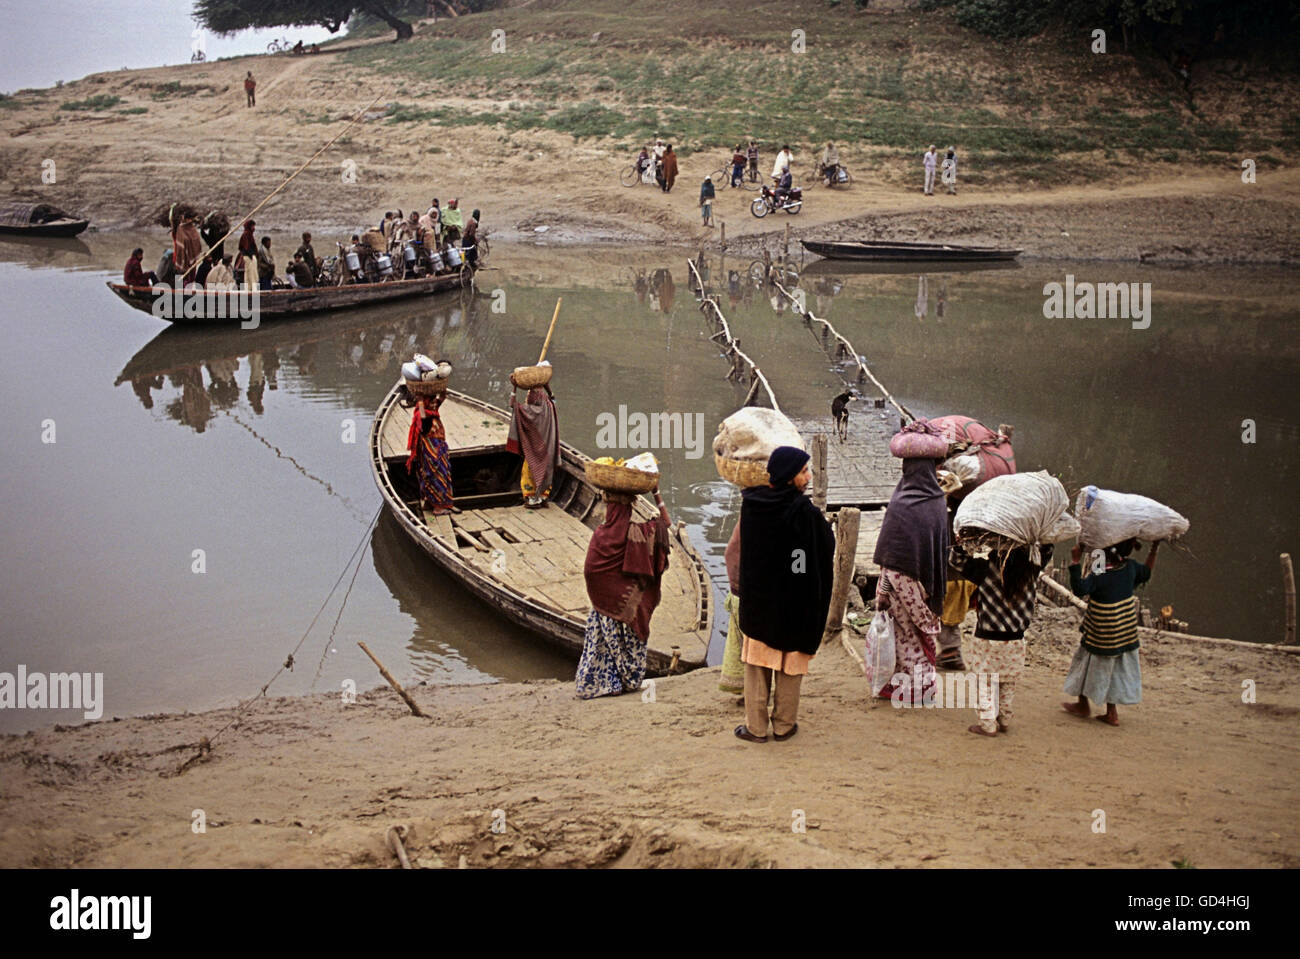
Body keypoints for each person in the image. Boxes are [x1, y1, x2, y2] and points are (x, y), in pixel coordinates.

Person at [733, 446, 835, 743]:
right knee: (790, 665)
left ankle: (755, 728)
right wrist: (799, 569)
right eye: (804, 471)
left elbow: (752, 553)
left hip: (760, 601)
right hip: (792, 603)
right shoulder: (803, 514)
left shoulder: (752, 505)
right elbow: (805, 556)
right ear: (790, 475)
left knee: (757, 664)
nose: (809, 476)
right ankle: (784, 725)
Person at [870, 421, 950, 706]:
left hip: (901, 584)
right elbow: (939, 548)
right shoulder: (938, 500)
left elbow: (892, 559)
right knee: (914, 636)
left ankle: (914, 687)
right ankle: (919, 684)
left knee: (905, 636)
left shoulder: (902, 501)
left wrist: (882, 590)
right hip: (928, 584)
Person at [950, 535, 1053, 736]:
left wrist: (962, 542)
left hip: (988, 637)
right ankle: (1004, 719)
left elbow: (956, 560)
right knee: (1008, 680)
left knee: (985, 680)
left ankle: (987, 723)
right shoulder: (1031, 570)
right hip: (1016, 638)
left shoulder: (986, 569)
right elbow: (1047, 550)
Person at [574, 486, 672, 699]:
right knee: (626, 641)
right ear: (629, 509)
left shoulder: (601, 534)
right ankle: (628, 680)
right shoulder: (641, 532)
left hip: (604, 608)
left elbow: (592, 572)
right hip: (629, 610)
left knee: (600, 643)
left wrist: (607, 594)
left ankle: (607, 683)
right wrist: (656, 493)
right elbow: (666, 524)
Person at [1063, 538, 1159, 727]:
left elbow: (1080, 589)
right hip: (1124, 631)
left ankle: (1083, 705)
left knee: (1087, 662)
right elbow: (1146, 573)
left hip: (1100, 631)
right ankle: (1111, 712)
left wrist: (1075, 561)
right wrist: (1154, 549)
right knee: (1113, 668)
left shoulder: (1100, 572)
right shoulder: (1129, 567)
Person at [506, 376, 559, 508]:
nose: (527, 397)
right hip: (547, 451)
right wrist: (548, 388)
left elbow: (512, 404)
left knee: (529, 471)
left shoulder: (527, 410)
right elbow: (553, 399)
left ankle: (531, 499)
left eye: (529, 395)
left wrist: (514, 387)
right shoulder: (549, 407)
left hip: (533, 452)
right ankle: (543, 496)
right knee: (546, 471)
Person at [405, 391, 456, 516]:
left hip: (437, 452)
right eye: (432, 402)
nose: (434, 404)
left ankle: (429, 502)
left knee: (431, 477)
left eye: (435, 402)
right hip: (433, 456)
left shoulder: (433, 412)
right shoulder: (425, 417)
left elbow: (441, 399)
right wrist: (420, 400)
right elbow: (423, 415)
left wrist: (442, 391)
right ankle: (438, 508)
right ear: (426, 404)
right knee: (436, 477)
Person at [719, 516, 746, 697]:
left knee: (750, 652)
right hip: (777, 596)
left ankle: (752, 697)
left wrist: (735, 586)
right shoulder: (799, 515)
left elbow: (731, 554)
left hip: (747, 595)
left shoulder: (752, 515)